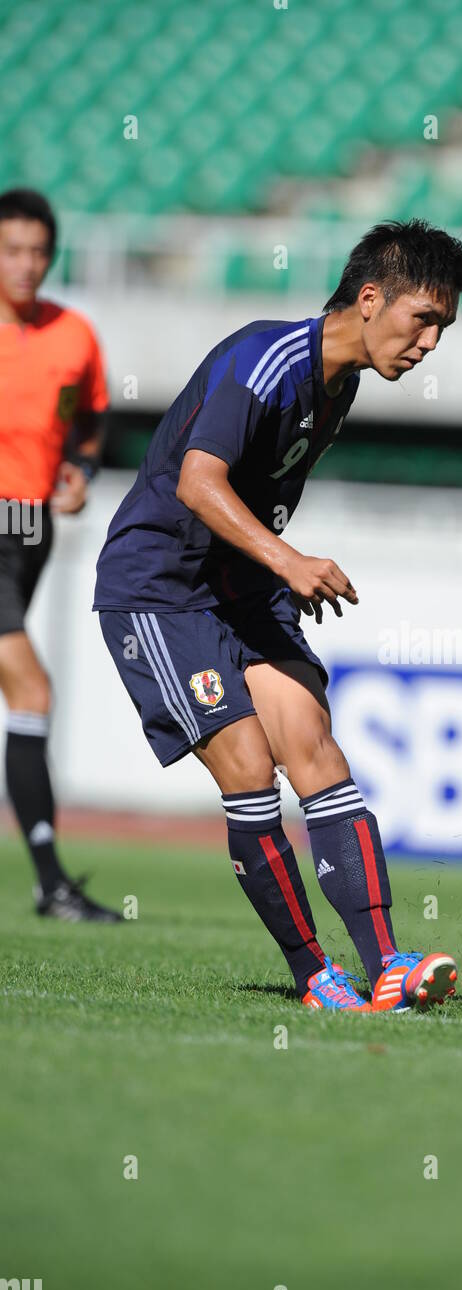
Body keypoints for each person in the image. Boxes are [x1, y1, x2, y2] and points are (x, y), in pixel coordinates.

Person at [93, 219, 462, 1010]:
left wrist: (272, 573)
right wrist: (289, 560)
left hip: (242, 588)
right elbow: (199, 483)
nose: (431, 342)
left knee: (314, 747)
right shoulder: (264, 360)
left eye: (442, 326)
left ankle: (386, 967)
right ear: (370, 299)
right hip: (160, 589)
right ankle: (314, 975)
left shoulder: (340, 386)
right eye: (425, 319)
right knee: (248, 768)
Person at [0, 187, 119, 922]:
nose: (26, 264)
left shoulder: (74, 335)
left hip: (29, 529)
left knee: (23, 695)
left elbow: (87, 419)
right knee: (32, 688)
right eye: (12, 250)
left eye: (38, 251)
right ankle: (50, 882)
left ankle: (49, 882)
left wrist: (81, 468)